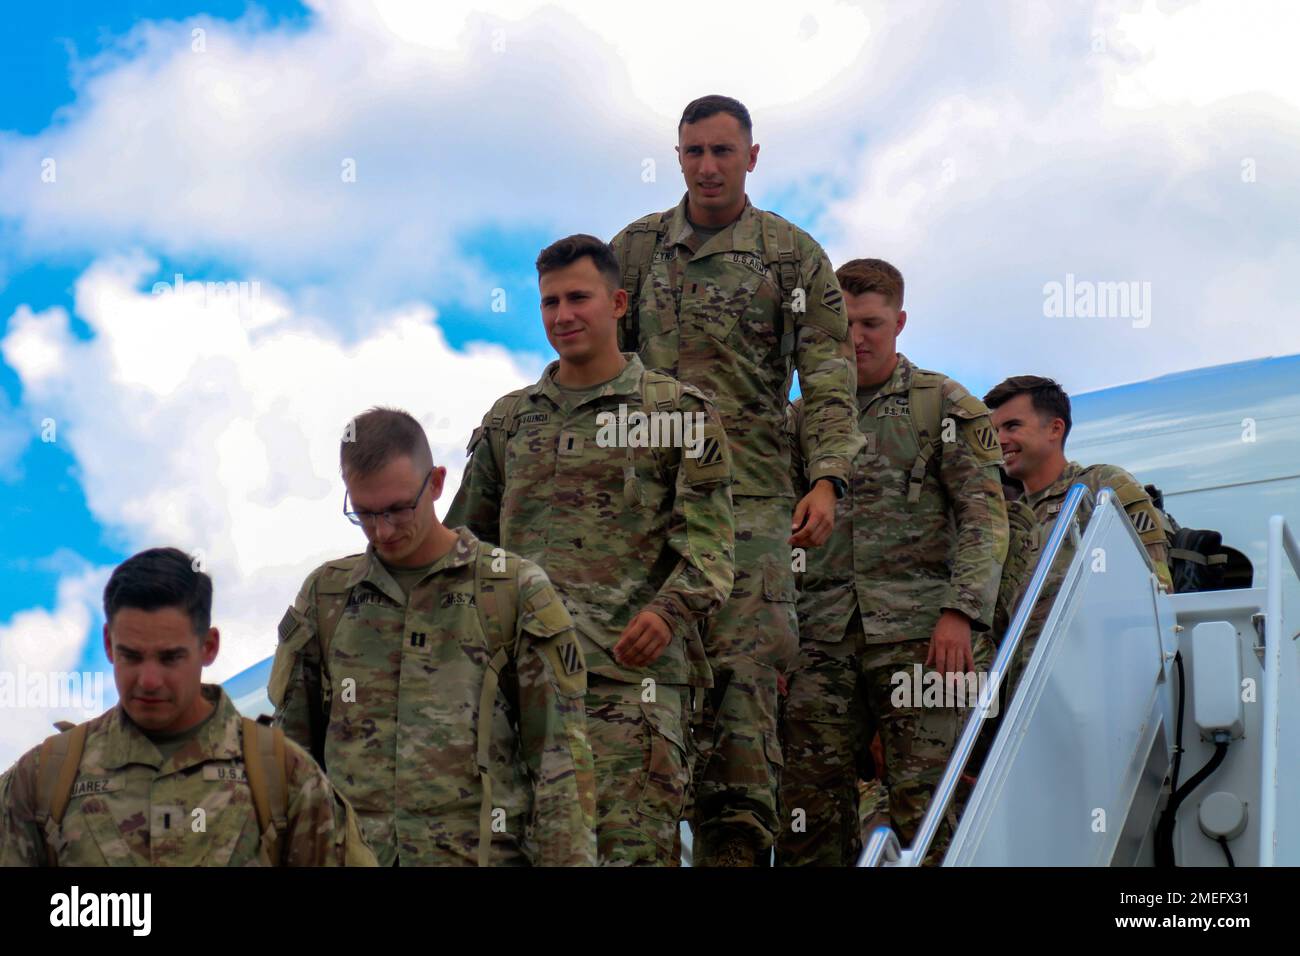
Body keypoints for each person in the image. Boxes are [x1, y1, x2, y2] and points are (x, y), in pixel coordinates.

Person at [610, 94, 863, 865]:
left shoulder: (792, 257)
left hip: (752, 515)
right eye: (693, 152)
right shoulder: (636, 250)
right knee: (639, 707)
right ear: (677, 156)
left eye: (723, 151)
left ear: (753, 157)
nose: (708, 167)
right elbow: (596, 372)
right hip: (646, 512)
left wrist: (826, 480)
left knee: (744, 709)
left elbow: (827, 376)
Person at [448, 234, 735, 865]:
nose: (563, 316)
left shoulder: (679, 413)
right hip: (524, 693)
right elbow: (463, 552)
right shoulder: (510, 421)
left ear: (618, 303)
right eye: (549, 302)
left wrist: (666, 614)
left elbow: (710, 551)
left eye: (578, 298)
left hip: (631, 693)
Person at [270, 409, 597, 866]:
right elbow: (288, 764)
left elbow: (561, 762)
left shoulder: (513, 590)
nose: (382, 530)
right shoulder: (327, 596)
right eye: (364, 512)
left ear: (437, 483)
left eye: (398, 509)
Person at [777, 259, 1007, 866]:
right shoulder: (802, 422)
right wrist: (774, 638)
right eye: (845, 324)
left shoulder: (945, 405)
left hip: (922, 638)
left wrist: (962, 612)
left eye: (872, 323)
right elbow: (772, 535)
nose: (858, 337)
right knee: (804, 813)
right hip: (819, 641)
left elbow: (985, 518)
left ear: (899, 321)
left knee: (926, 810)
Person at [0, 547, 376, 867]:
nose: (148, 680)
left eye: (169, 658)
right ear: (108, 644)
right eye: (131, 655)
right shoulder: (43, 779)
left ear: (209, 647)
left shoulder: (285, 778)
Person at [983, 375, 1172, 591]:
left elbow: (1157, 590)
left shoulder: (1102, 488)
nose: (999, 441)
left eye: (1012, 426)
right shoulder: (1007, 518)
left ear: (1055, 429)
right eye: (995, 431)